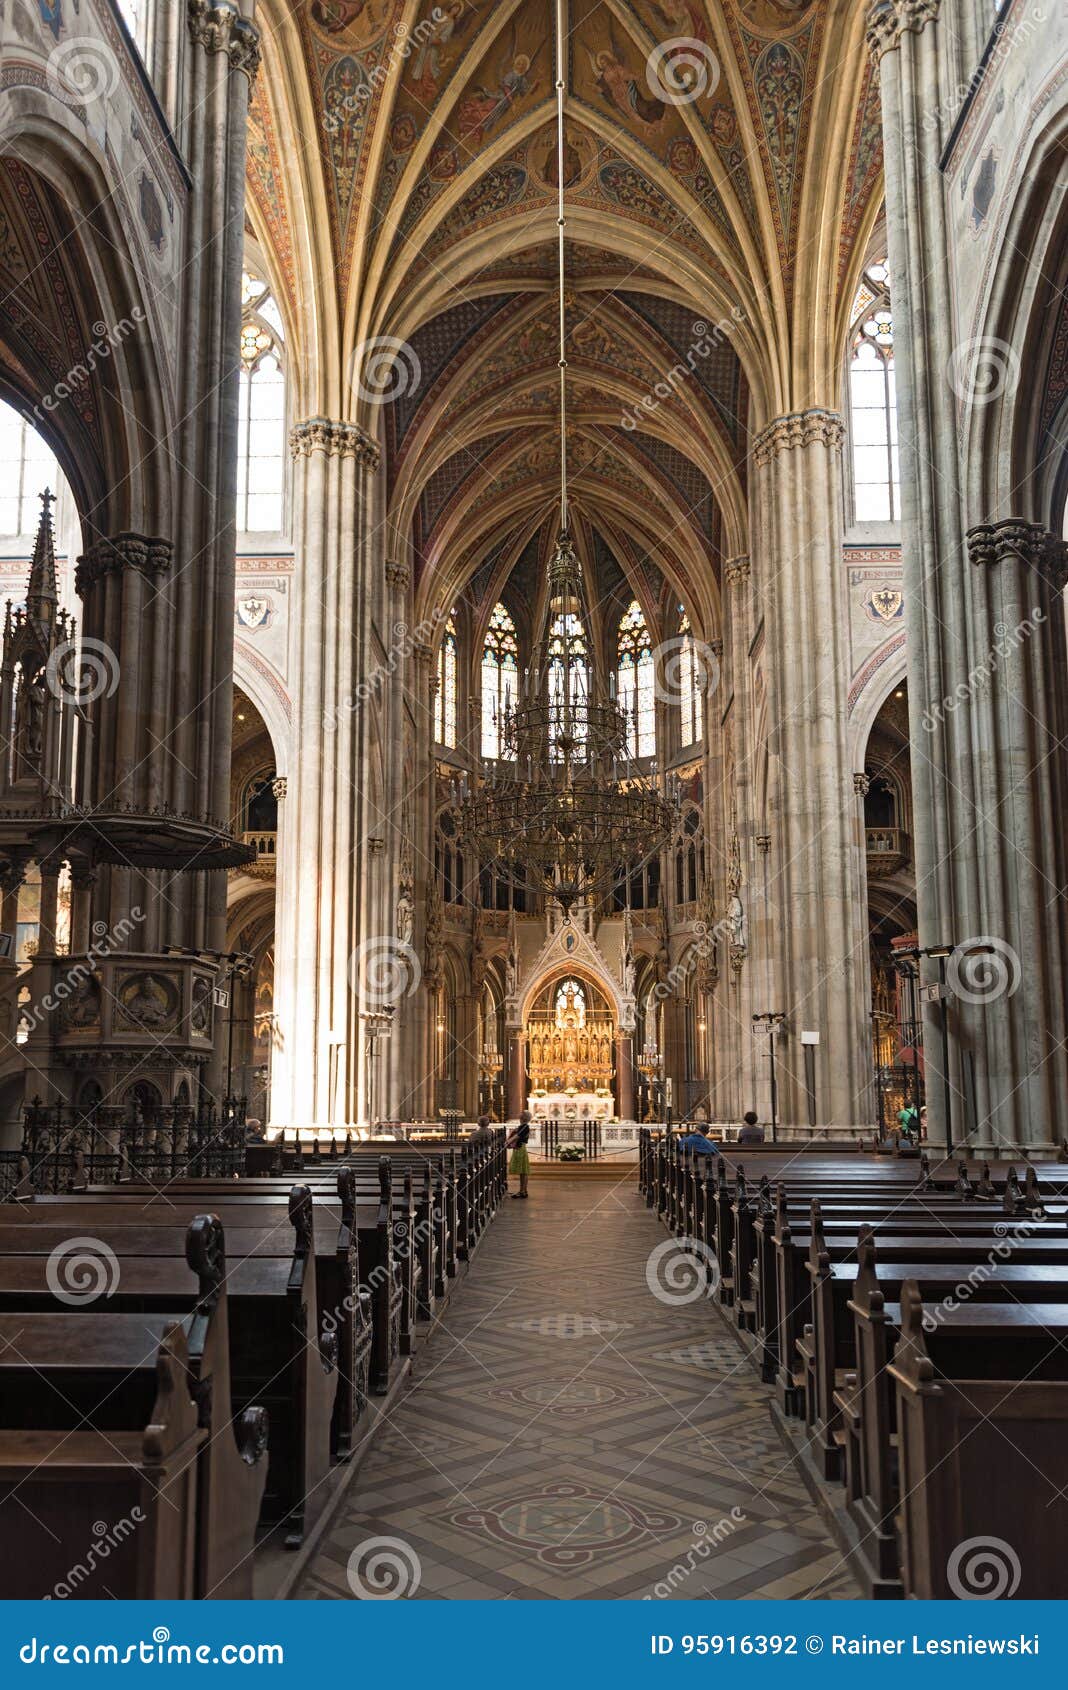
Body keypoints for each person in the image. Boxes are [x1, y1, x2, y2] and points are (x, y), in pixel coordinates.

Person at [507, 1109, 531, 1198]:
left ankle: (523, 1191)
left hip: (520, 1148)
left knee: (523, 1171)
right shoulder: (523, 1126)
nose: (519, 1115)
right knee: (523, 1171)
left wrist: (506, 1143)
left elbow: (517, 1136)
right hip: (521, 1148)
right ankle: (523, 1191)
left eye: (521, 1114)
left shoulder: (524, 1126)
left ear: (523, 1117)